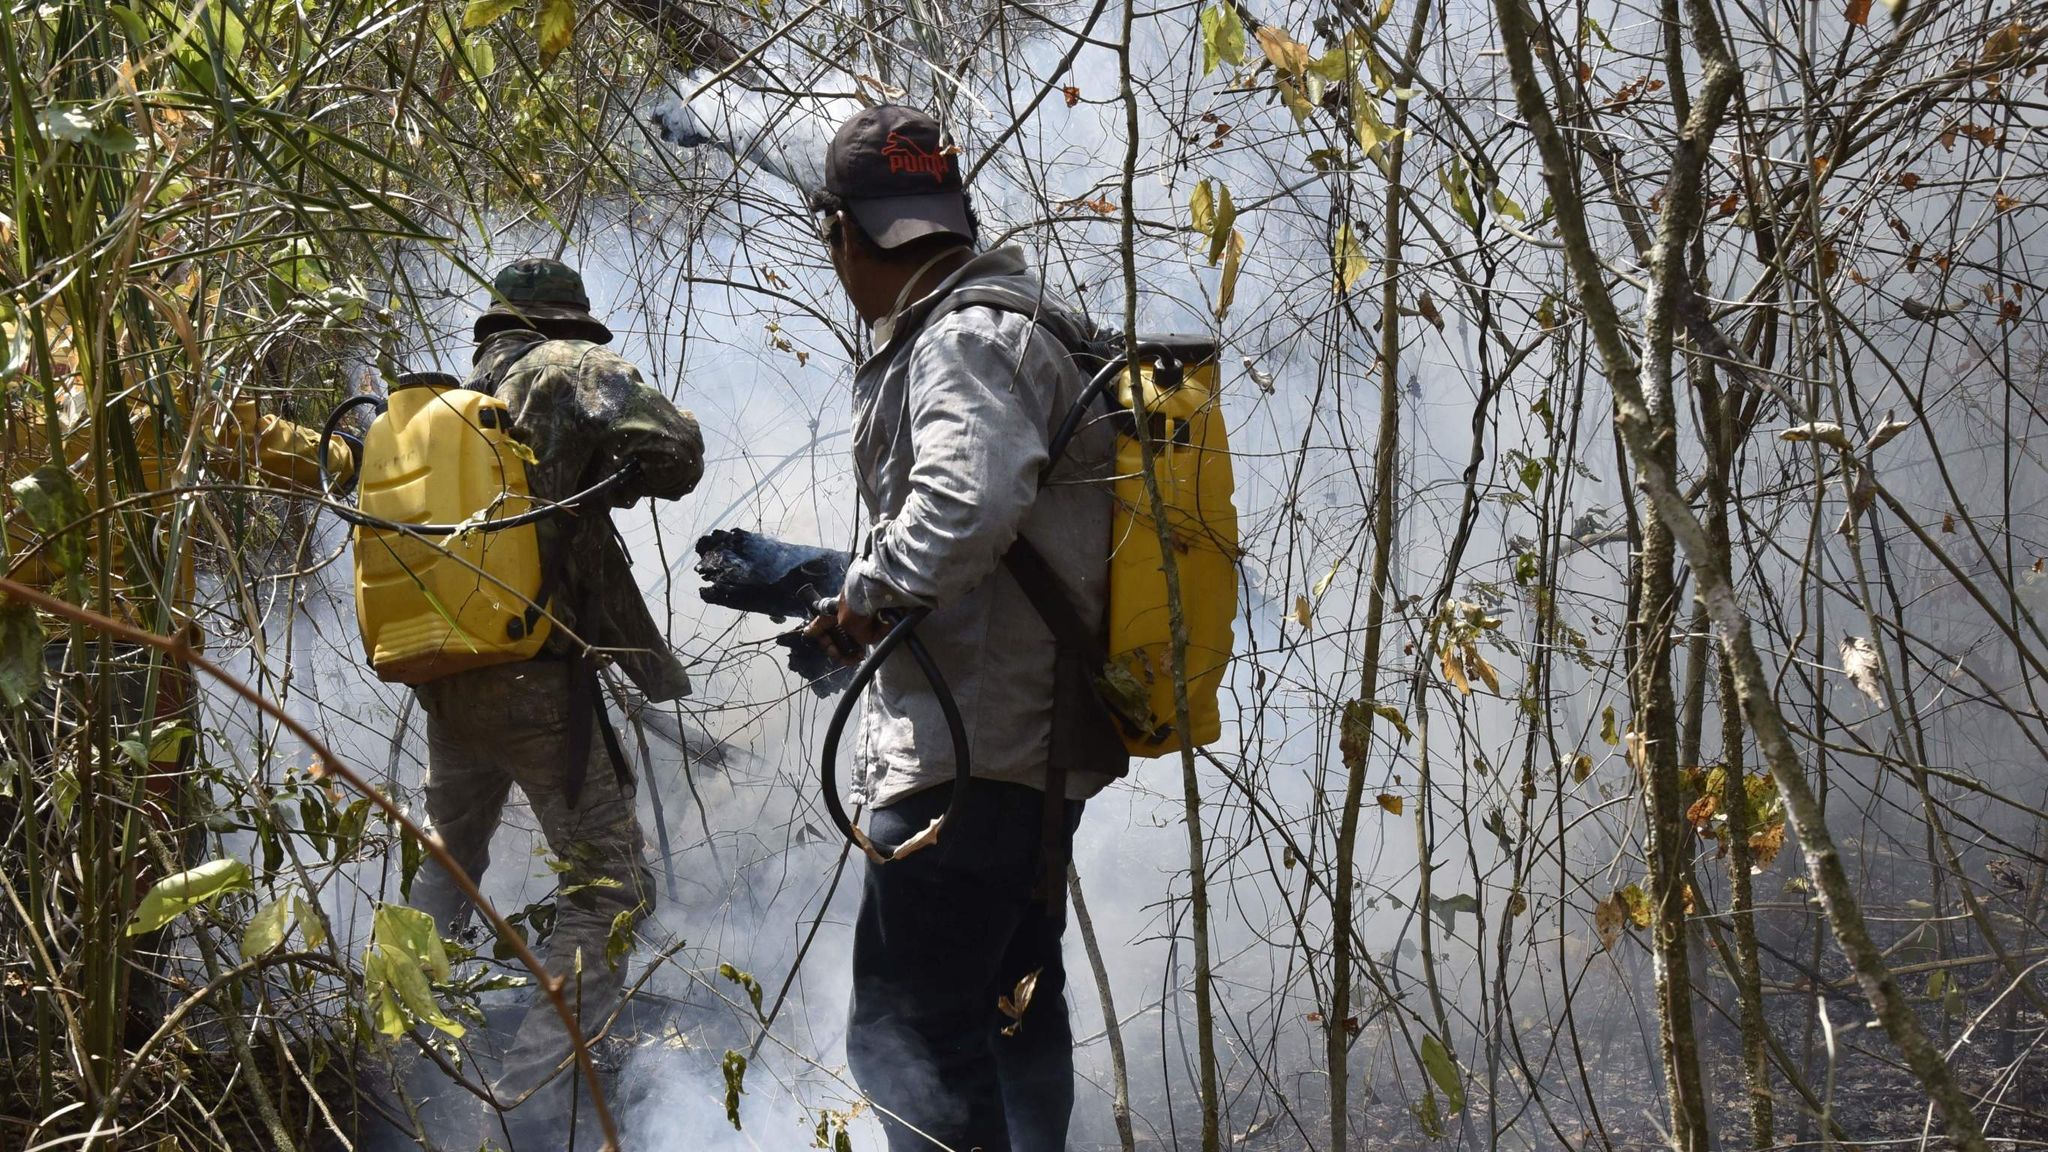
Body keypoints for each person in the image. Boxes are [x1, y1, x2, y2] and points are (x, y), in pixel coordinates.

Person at [803, 105, 1124, 1152]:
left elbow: (967, 505)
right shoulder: (1017, 327)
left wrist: (864, 591)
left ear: (846, 235)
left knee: (907, 1041)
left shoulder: (965, 339)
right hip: (1024, 762)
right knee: (1009, 1021)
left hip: (964, 765)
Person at [402, 257, 703, 1144]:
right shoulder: (563, 368)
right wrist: (614, 475)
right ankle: (517, 1109)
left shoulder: (445, 412)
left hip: (450, 683)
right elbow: (675, 450)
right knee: (611, 886)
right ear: (565, 325)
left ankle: (400, 1057)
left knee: (447, 866)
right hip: (537, 681)